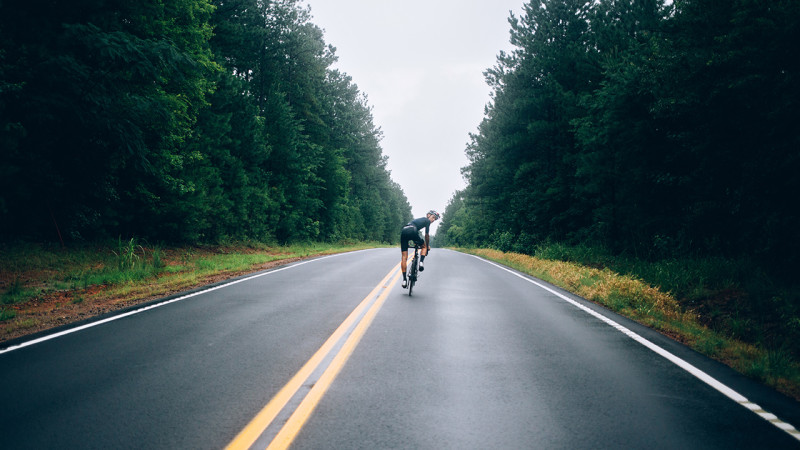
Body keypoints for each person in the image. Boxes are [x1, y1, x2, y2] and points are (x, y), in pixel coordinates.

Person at [400, 210, 440, 288]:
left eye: (435, 219)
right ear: (428, 215)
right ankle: (421, 263)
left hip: (404, 231)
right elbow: (427, 235)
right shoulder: (426, 221)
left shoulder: (419, 220)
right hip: (413, 230)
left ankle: (404, 280)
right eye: (433, 217)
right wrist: (427, 245)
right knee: (424, 246)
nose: (433, 220)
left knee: (404, 257)